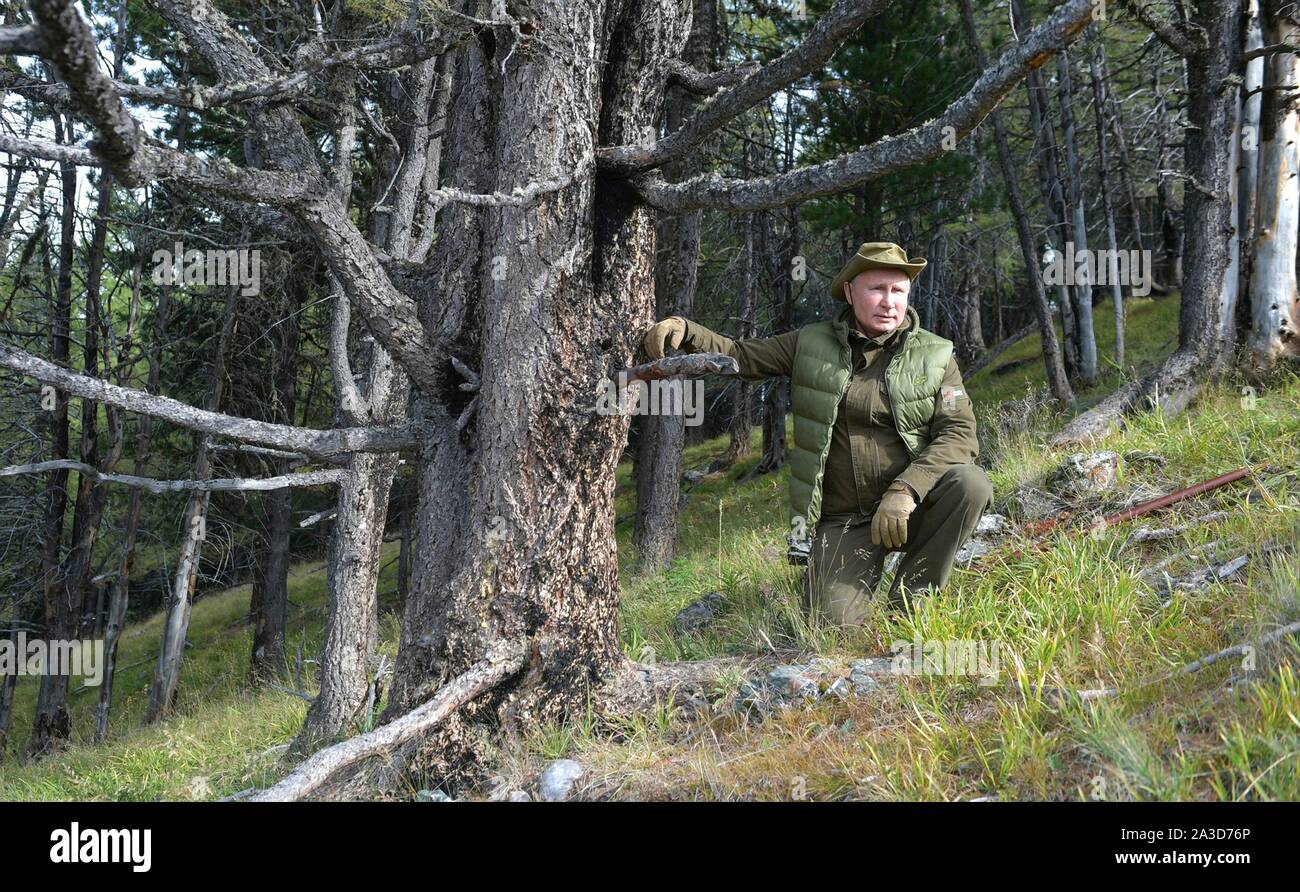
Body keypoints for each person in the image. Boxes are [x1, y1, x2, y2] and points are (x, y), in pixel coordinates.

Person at [641, 241, 992, 625]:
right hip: (845, 519)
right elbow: (741, 356)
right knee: (832, 627)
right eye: (876, 289)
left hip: (914, 507)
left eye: (898, 291)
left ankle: (911, 606)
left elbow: (959, 434)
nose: (889, 302)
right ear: (849, 291)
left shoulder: (937, 355)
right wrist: (686, 331)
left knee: (970, 484)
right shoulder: (810, 343)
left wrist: (907, 488)